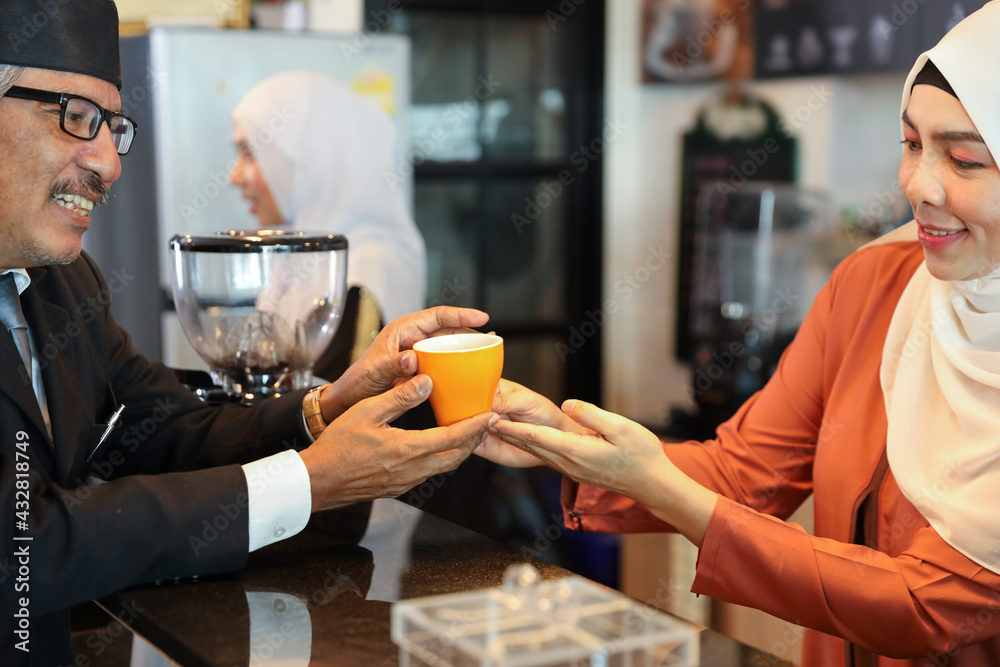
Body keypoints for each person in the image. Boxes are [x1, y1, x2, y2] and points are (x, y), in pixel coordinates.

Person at [481, 3, 1000, 664]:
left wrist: (669, 492)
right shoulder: (873, 288)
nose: (918, 184)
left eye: (963, 159)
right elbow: (744, 472)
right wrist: (561, 442)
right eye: (910, 143)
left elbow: (921, 607)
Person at [0, 1, 493, 663]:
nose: (109, 164)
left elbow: (166, 429)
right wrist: (309, 482)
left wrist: (328, 406)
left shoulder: (66, 283)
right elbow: (24, 547)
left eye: (112, 128)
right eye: (77, 118)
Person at [228, 69, 426, 339]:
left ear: (311, 162)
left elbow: (340, 381)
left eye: (250, 154)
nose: (233, 177)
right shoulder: (297, 258)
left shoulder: (367, 268)